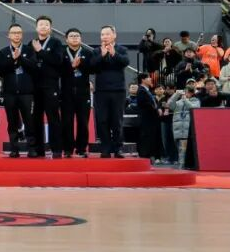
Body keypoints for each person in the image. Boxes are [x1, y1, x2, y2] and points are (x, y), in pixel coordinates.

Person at [0, 24, 38, 157]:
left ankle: (32, 148)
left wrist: (20, 58)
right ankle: (14, 149)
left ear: (22, 35)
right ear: (9, 35)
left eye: (19, 32)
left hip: (27, 93)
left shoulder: (29, 50)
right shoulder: (3, 52)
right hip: (10, 93)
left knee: (29, 121)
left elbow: (34, 67)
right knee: (12, 121)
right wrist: (12, 60)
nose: (17, 35)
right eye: (14, 33)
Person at [87, 25, 130, 158]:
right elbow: (91, 66)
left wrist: (113, 53)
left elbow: (125, 62)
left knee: (117, 120)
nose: (104, 37)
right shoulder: (96, 51)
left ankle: (118, 148)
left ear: (114, 35)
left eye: (107, 34)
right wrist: (102, 55)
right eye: (102, 34)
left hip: (118, 90)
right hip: (101, 91)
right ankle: (105, 148)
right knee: (102, 120)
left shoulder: (122, 49)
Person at [30, 16, 65, 157]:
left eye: (46, 24)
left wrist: (41, 51)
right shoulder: (32, 43)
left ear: (50, 28)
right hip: (35, 86)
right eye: (41, 24)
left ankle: (56, 149)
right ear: (36, 27)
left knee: (53, 117)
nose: (43, 27)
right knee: (35, 118)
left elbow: (58, 61)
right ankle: (39, 149)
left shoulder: (56, 43)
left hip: (50, 85)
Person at [60, 28, 94, 157]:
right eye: (72, 36)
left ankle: (81, 148)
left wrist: (80, 65)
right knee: (66, 122)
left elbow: (92, 69)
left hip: (83, 92)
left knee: (83, 122)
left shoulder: (87, 53)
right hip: (66, 92)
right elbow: (58, 70)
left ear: (81, 38)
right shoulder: (62, 52)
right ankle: (68, 149)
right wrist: (71, 66)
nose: (74, 38)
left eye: (77, 36)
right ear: (66, 39)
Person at [168, 82, 200, 167]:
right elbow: (170, 105)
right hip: (177, 129)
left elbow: (192, 108)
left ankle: (181, 166)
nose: (186, 94)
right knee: (179, 149)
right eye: (185, 92)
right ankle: (181, 164)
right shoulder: (179, 102)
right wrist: (176, 95)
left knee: (183, 149)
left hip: (187, 130)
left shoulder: (196, 101)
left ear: (192, 93)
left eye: (188, 92)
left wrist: (185, 100)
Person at [134, 73, 162, 162]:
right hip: (146, 118)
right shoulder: (141, 91)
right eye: (148, 78)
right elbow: (145, 104)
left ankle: (150, 156)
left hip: (151, 118)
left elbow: (153, 103)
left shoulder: (147, 90)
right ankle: (145, 156)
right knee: (146, 137)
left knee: (151, 137)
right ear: (143, 80)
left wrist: (157, 108)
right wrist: (155, 110)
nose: (150, 79)